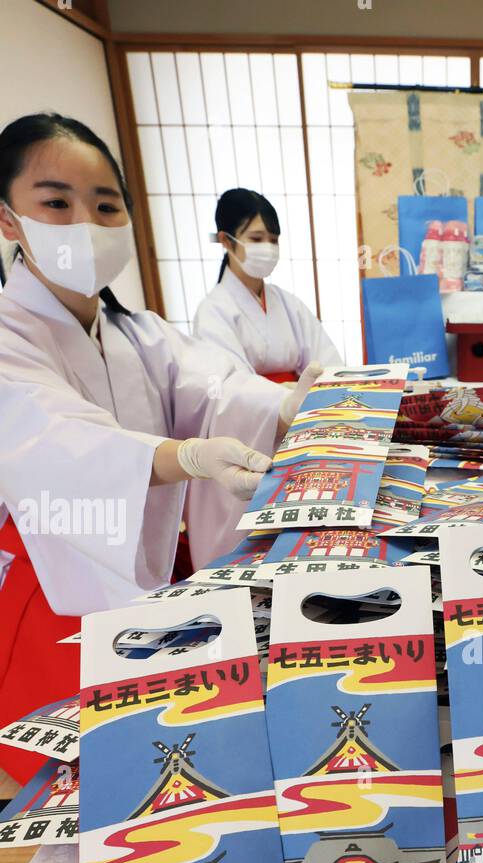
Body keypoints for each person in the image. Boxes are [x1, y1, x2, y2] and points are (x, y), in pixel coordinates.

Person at [0, 114, 318, 779]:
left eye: (105, 205)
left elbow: (213, 386)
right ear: (8, 219)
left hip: (149, 551)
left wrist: (284, 404)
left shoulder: (136, 330)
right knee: (96, 771)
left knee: (182, 742)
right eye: (56, 203)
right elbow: (56, 438)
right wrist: (187, 457)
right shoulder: (9, 337)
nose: (85, 223)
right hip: (54, 575)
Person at [192, 187, 341, 381]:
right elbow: (231, 385)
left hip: (304, 399)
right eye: (256, 239)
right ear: (226, 240)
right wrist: (284, 395)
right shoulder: (213, 311)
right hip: (251, 402)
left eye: (273, 240)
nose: (268, 247)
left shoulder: (289, 304)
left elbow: (328, 363)